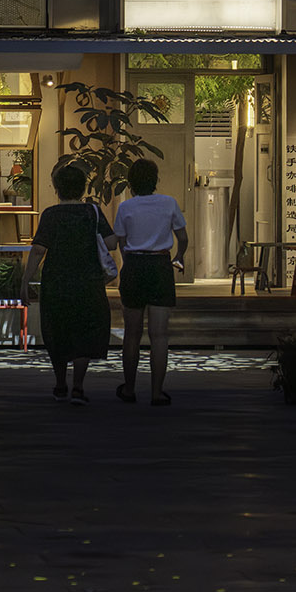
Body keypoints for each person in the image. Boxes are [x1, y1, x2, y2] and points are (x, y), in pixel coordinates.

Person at [20, 162, 115, 405]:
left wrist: (26, 279)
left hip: (57, 282)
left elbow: (39, 250)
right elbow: (112, 242)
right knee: (85, 334)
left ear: (56, 188)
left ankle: (60, 382)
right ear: (83, 188)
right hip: (89, 281)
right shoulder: (92, 212)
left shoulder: (51, 215)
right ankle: (78, 387)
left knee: (57, 332)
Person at [112, 158, 188, 406]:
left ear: (131, 183)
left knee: (132, 334)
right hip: (160, 266)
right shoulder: (169, 203)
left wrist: (128, 259)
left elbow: (121, 241)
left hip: (134, 266)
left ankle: (130, 389)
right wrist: (178, 257)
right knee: (159, 335)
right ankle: (157, 392)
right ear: (155, 181)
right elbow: (182, 237)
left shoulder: (125, 207)